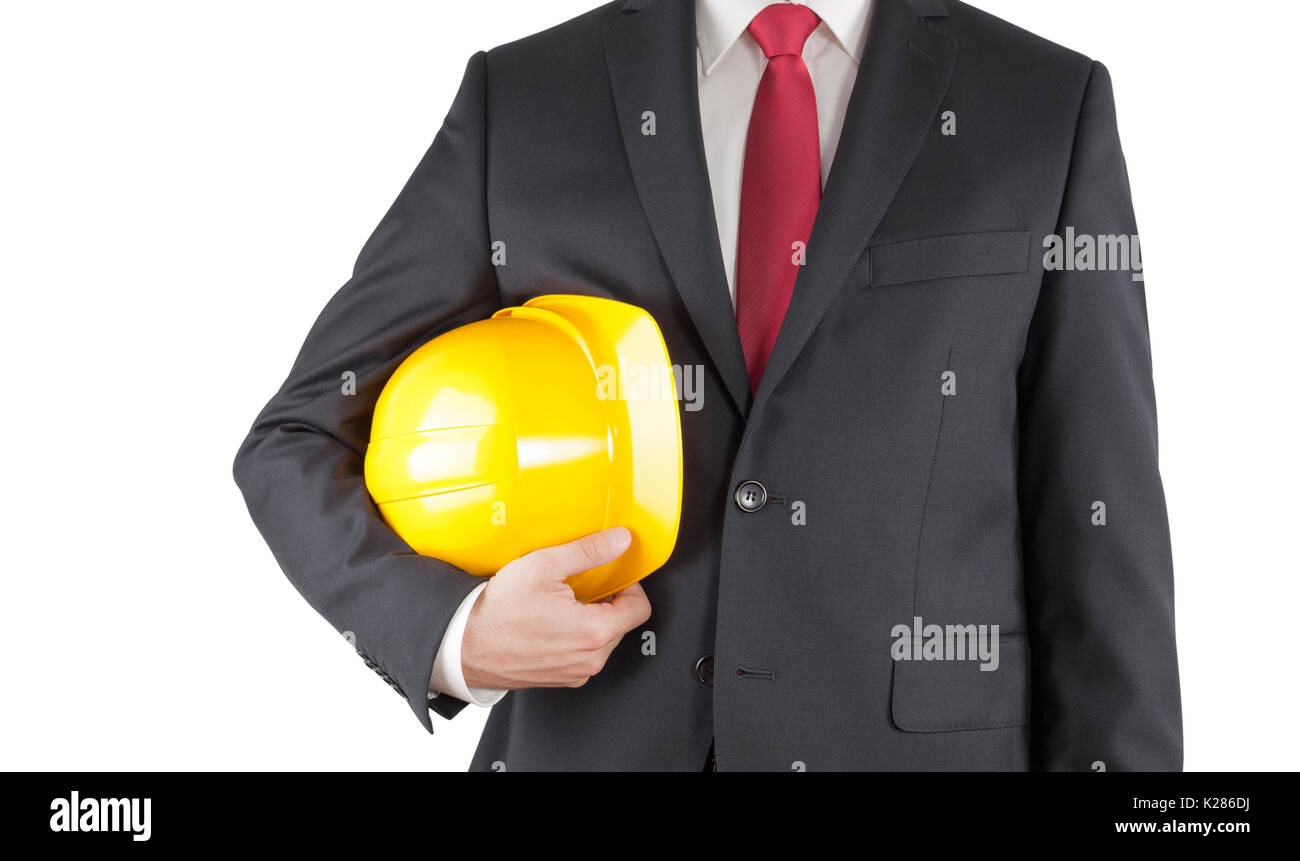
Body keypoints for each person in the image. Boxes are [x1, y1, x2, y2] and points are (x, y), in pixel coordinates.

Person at [234, 0, 1182, 771]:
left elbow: (1101, 534)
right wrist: (453, 631)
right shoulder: (525, 97)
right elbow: (299, 436)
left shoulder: (1043, 104)